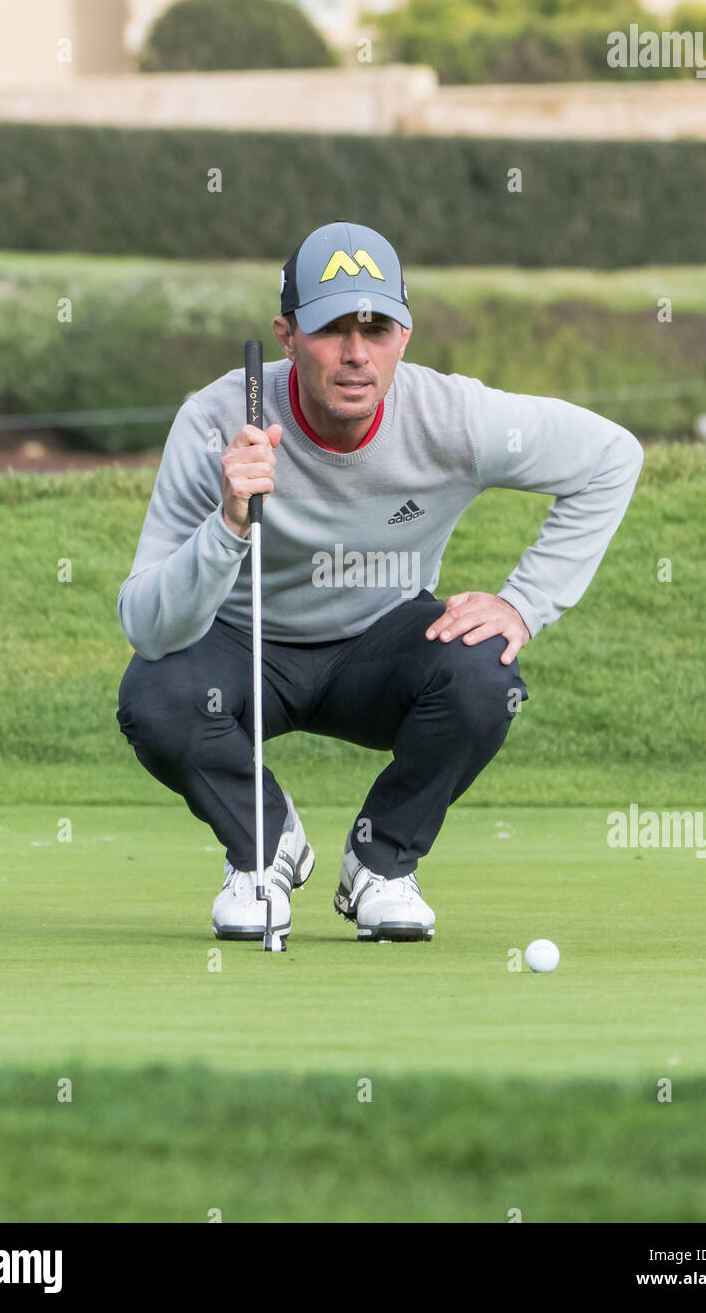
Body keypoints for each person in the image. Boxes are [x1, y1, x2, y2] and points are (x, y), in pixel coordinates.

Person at [116, 221, 644, 944]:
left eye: (377, 326)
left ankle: (381, 863)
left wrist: (524, 603)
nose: (356, 353)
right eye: (332, 328)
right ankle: (265, 848)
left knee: (486, 676)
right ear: (287, 336)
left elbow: (611, 457)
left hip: (379, 650)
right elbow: (147, 627)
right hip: (243, 647)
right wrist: (229, 524)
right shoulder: (215, 419)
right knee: (156, 693)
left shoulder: (455, 417)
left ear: (406, 334)